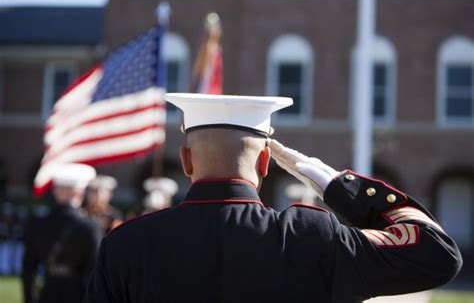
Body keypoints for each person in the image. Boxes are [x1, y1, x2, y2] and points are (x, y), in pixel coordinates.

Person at [84, 93, 462, 302]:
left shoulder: (125, 245)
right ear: (266, 161)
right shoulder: (311, 238)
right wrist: (336, 185)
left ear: (185, 160)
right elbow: (437, 254)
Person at [22, 163, 103, 303]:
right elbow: (94, 273)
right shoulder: (90, 227)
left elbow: (28, 269)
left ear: (55, 191)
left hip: (46, 294)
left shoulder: (37, 224)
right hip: (78, 295)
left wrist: (30, 299)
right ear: (80, 193)